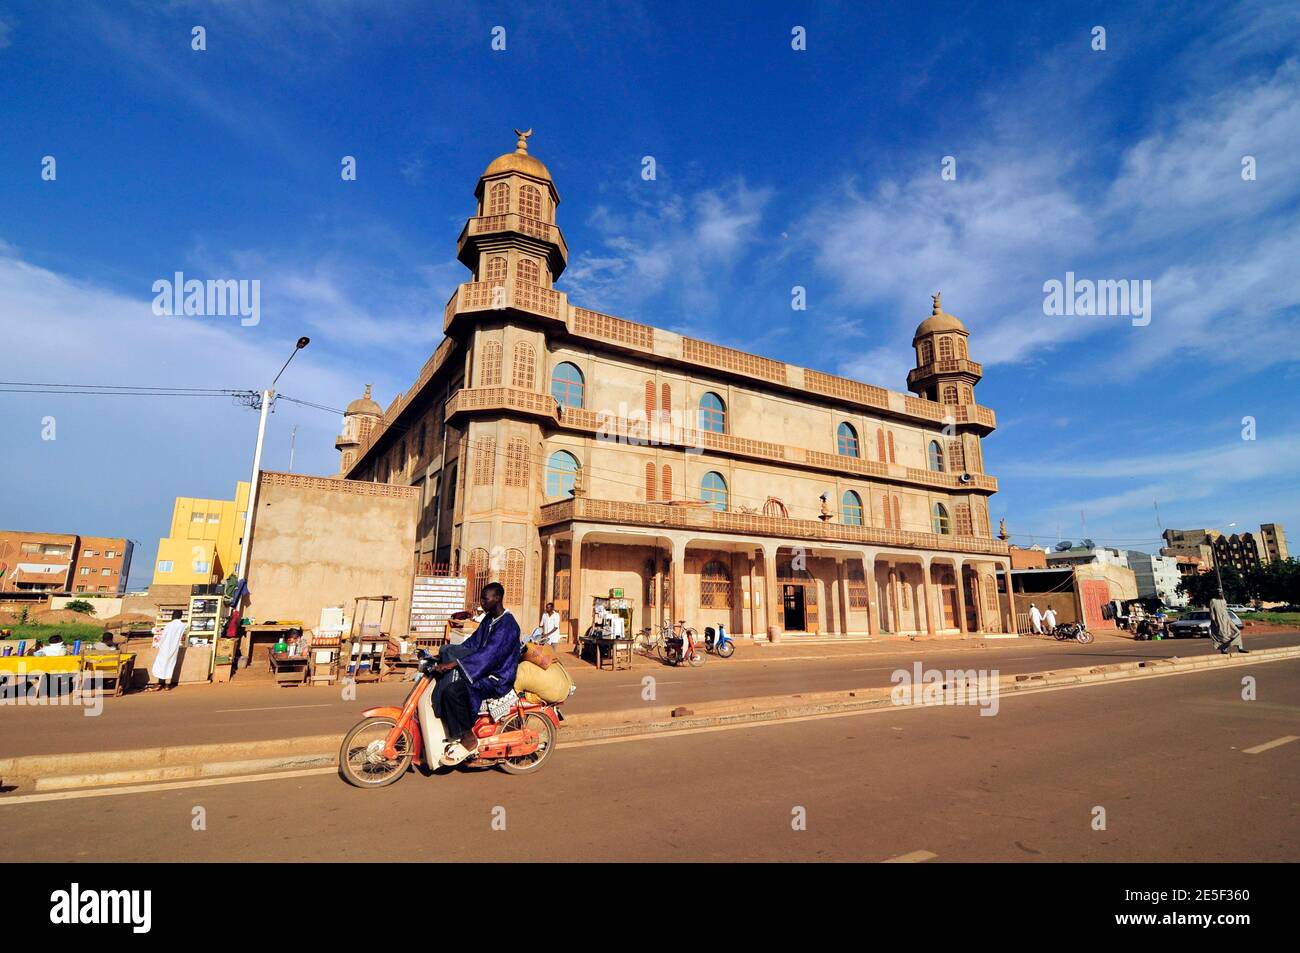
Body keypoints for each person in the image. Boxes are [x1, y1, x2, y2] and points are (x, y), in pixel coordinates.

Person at [433, 582, 520, 766]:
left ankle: (468, 738)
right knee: (448, 687)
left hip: (497, 677)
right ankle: (455, 735)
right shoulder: (489, 619)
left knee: (454, 692)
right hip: (483, 670)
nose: (481, 602)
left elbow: (490, 655)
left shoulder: (508, 625)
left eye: (485, 598)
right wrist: (448, 654)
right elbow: (471, 645)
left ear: (497, 598)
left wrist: (455, 664)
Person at [150, 610, 187, 691]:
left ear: (173, 615)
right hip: (174, 648)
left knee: (161, 664)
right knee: (170, 665)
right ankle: (167, 685)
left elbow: (163, 636)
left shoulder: (169, 625)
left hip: (165, 647)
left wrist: (158, 644)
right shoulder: (182, 625)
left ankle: (160, 683)